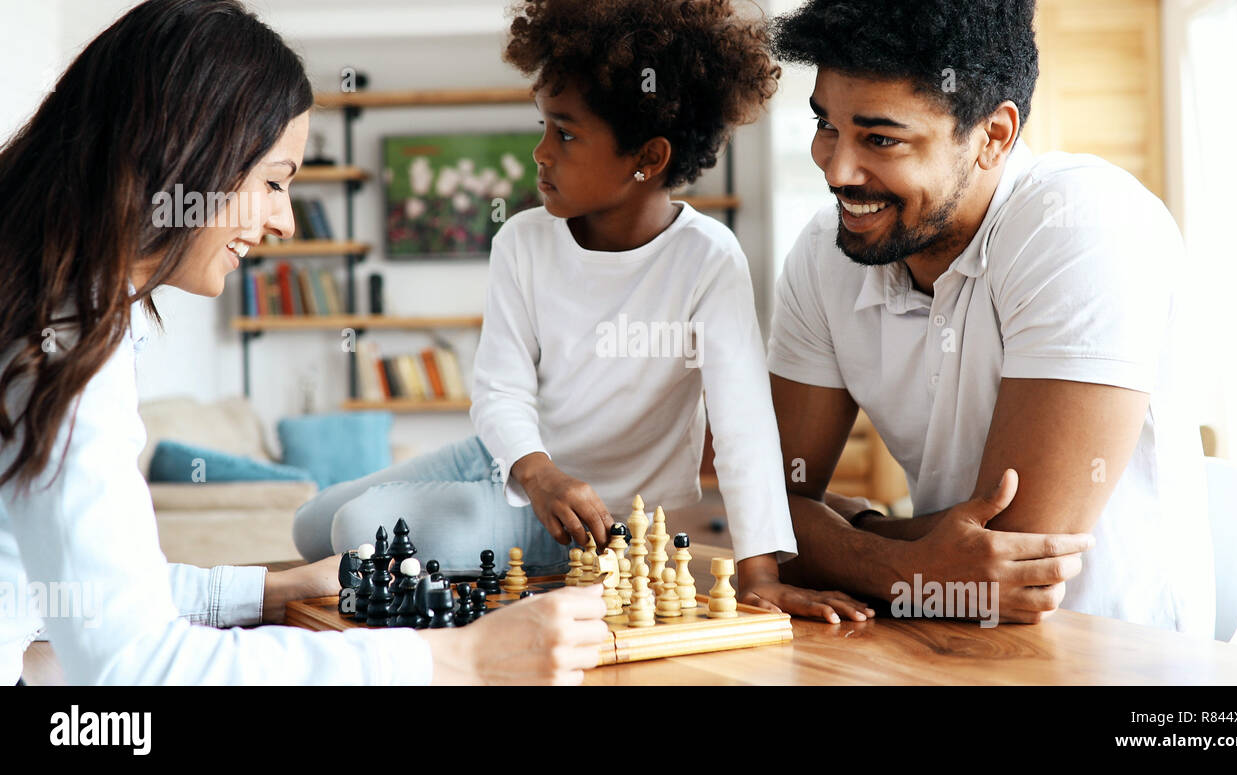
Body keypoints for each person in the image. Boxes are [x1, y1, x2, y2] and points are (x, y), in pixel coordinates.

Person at [0, 0, 609, 687]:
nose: (284, 221)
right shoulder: (66, 345)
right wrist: (455, 658)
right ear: (187, 151)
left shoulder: (49, 304)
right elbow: (136, 665)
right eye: (272, 182)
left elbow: (90, 600)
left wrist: (269, 589)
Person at [293, 0, 873, 624]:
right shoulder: (522, 240)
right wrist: (536, 470)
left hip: (590, 516)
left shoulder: (708, 259)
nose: (541, 153)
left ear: (648, 159)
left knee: (355, 527)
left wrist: (761, 573)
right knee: (312, 525)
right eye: (544, 126)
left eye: (565, 133)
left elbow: (744, 427)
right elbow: (499, 390)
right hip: (514, 463)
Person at [765, 0, 1214, 633]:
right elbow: (763, 511)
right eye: (826, 125)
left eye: (880, 138)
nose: (837, 170)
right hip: (934, 642)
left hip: (1113, 660)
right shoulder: (823, 253)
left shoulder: (1085, 221)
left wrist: (843, 534)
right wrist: (902, 559)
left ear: (993, 135)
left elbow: (1017, 556)